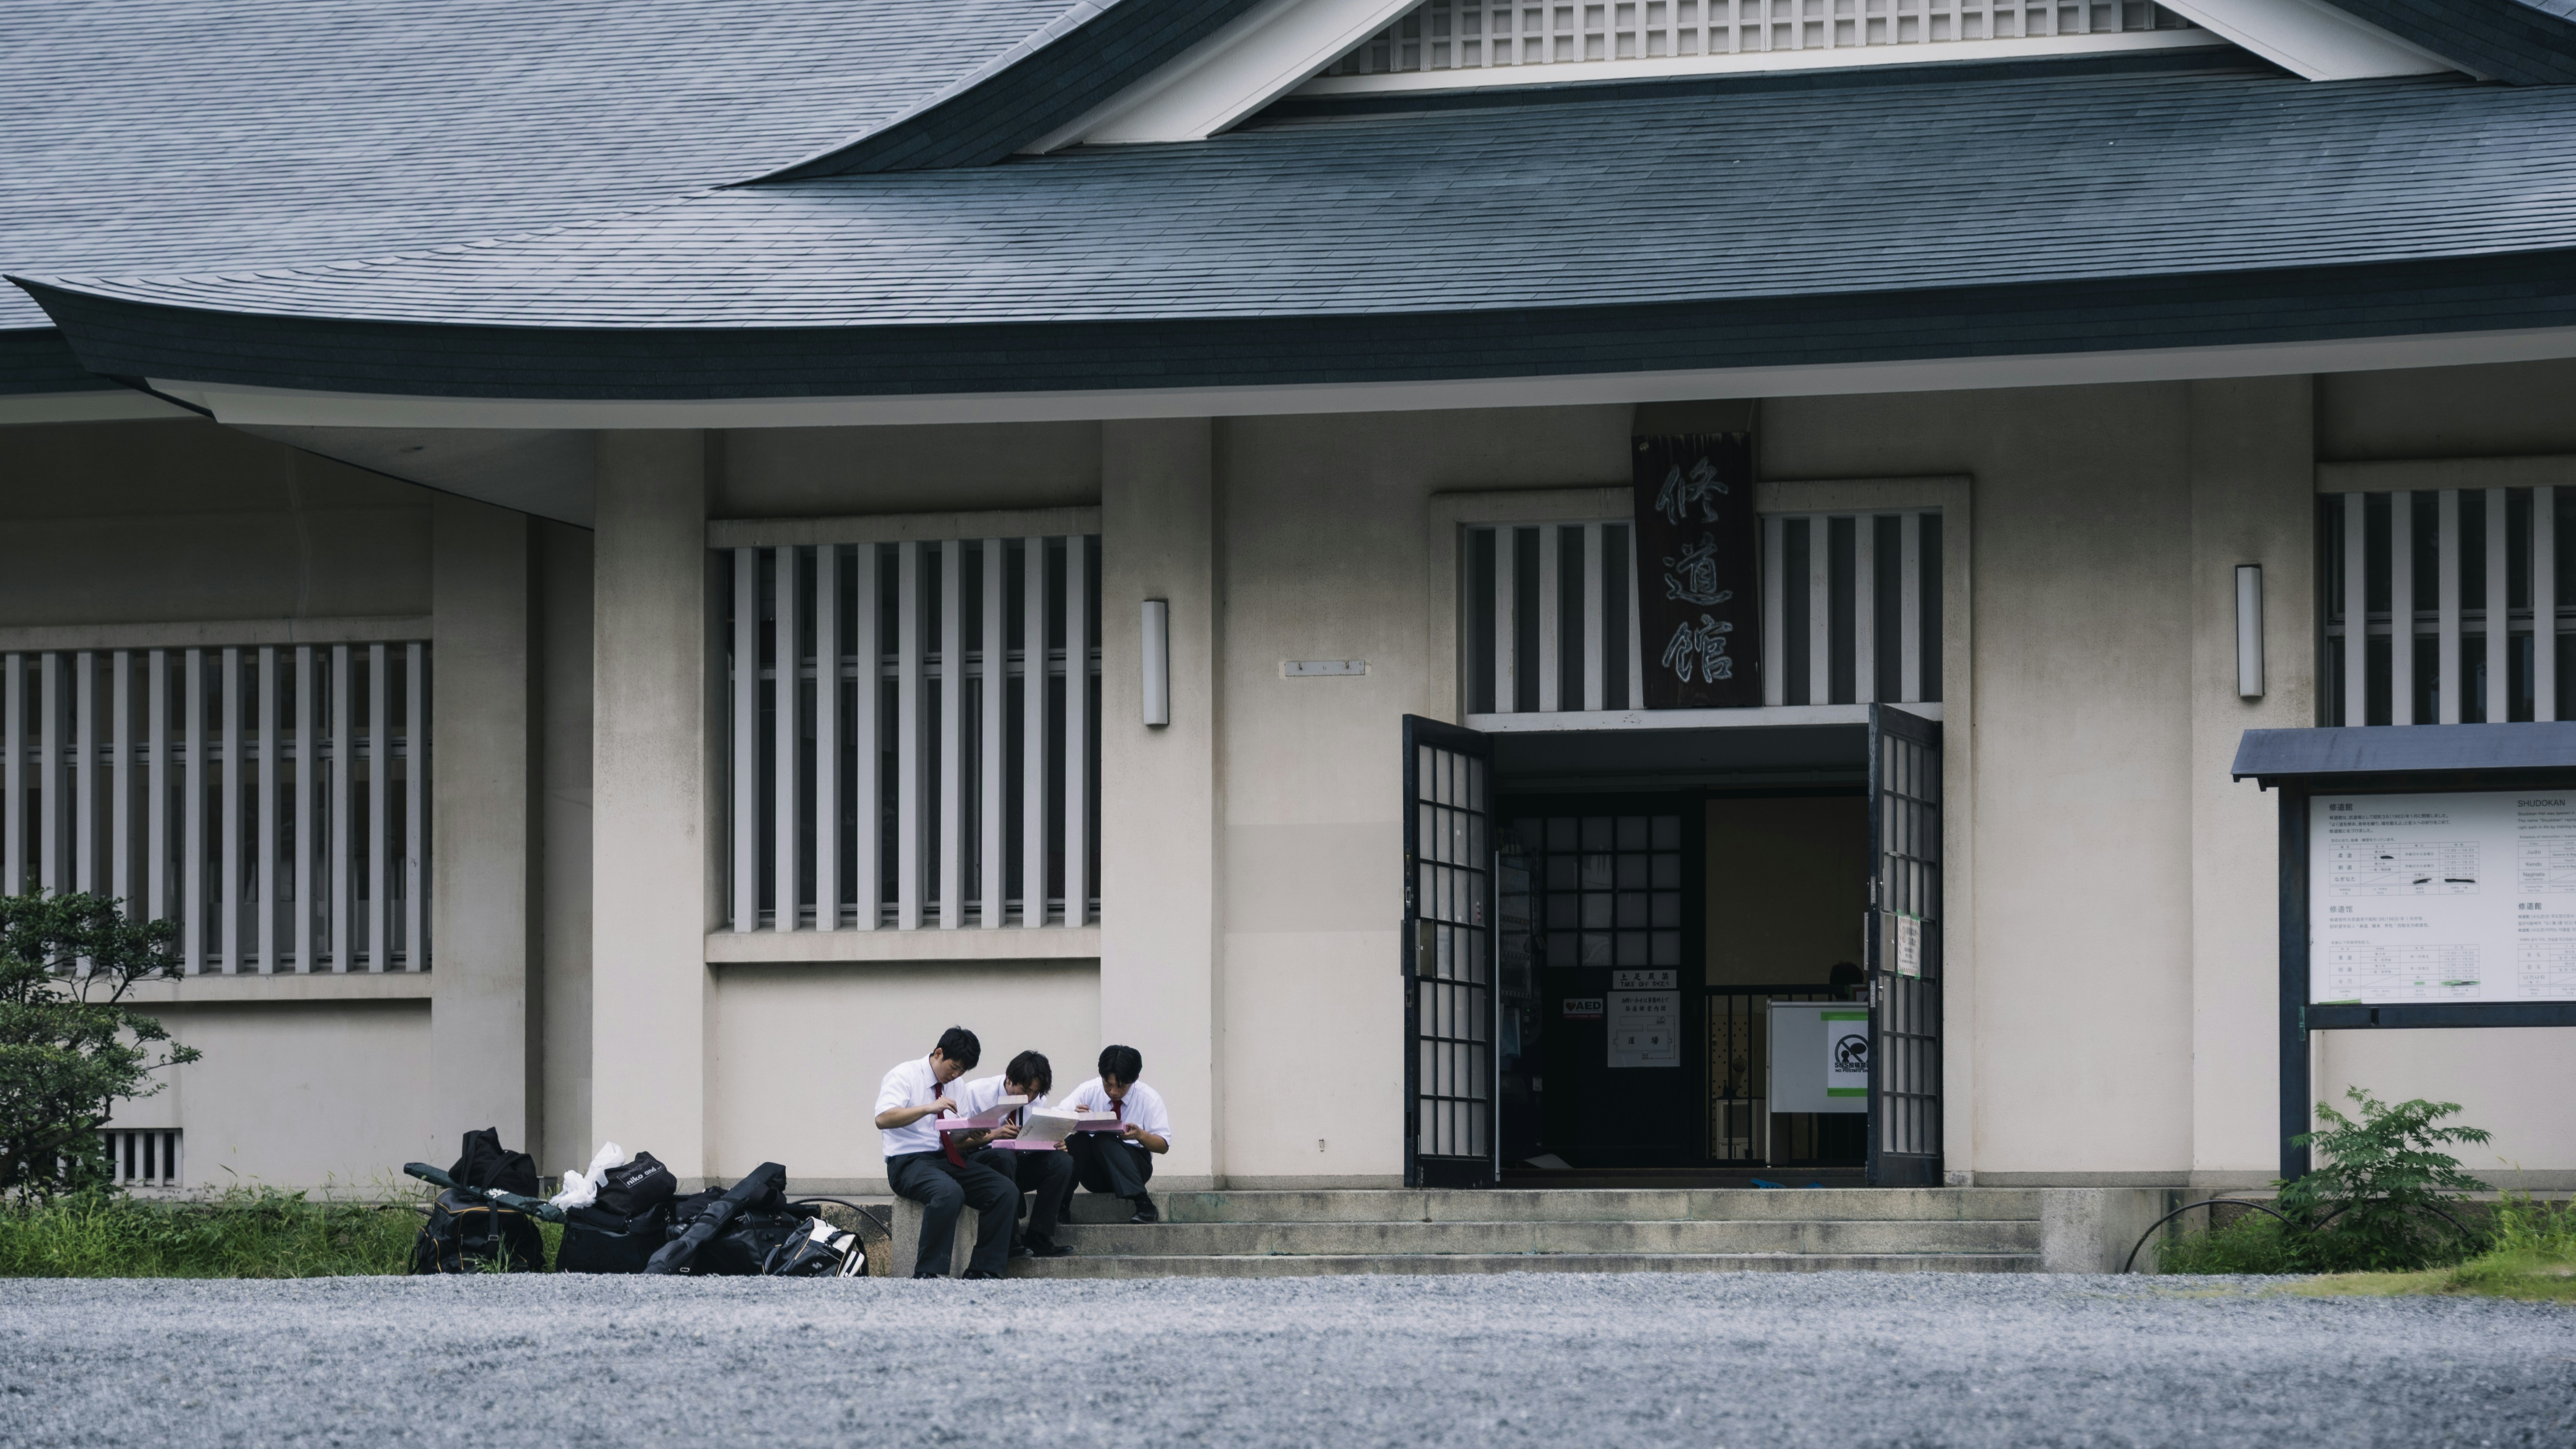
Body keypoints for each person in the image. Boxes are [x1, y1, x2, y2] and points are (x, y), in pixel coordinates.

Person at [873, 1026, 1017, 1279]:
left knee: (1005, 1191)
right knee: (949, 1192)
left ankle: (984, 1270)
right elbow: (883, 1118)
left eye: (963, 1070)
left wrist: (973, 1133)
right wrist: (929, 1107)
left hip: (945, 1157)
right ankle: (929, 1273)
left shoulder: (957, 1085)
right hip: (907, 1161)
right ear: (939, 1053)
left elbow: (952, 1138)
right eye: (954, 1067)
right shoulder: (905, 1075)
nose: (957, 1075)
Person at [959, 1049, 1079, 1259]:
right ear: (1009, 1079)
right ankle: (1010, 1240)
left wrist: (1053, 1142)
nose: (1030, 1097)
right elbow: (955, 1142)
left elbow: (1030, 1140)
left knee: (1062, 1162)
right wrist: (994, 1136)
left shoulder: (1035, 1100)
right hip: (980, 1162)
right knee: (1003, 1155)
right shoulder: (976, 1093)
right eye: (1025, 1090)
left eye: (1036, 1092)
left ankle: (1039, 1237)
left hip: (1016, 1161)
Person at [1055, 1044, 1170, 1224]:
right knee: (1077, 1141)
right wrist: (1072, 1118)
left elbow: (1163, 1146)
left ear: (1135, 1079)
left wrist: (1140, 1135)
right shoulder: (1088, 1091)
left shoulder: (1149, 1098)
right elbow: (1054, 1119)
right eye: (1108, 1085)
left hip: (1134, 1167)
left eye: (1122, 1086)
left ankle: (1145, 1204)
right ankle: (1061, 1208)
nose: (1114, 1092)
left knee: (1104, 1139)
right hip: (1094, 1173)